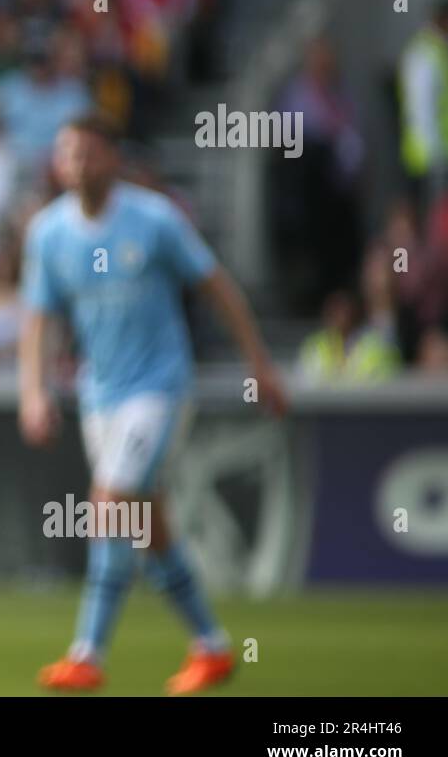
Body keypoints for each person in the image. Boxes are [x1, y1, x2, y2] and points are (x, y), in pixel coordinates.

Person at [19, 115, 287, 694]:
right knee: (146, 522)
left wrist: (259, 365)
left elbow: (217, 288)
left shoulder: (156, 220)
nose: (79, 165)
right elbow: (38, 319)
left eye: (89, 153)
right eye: (70, 155)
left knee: (110, 503)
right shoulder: (48, 233)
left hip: (158, 389)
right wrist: (34, 391)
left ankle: (87, 652)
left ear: (112, 158)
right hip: (100, 395)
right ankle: (211, 646)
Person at [398, 0, 448, 213]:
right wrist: (435, 156)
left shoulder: (438, 50)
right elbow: (421, 109)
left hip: (438, 155)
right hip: (428, 159)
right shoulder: (424, 53)